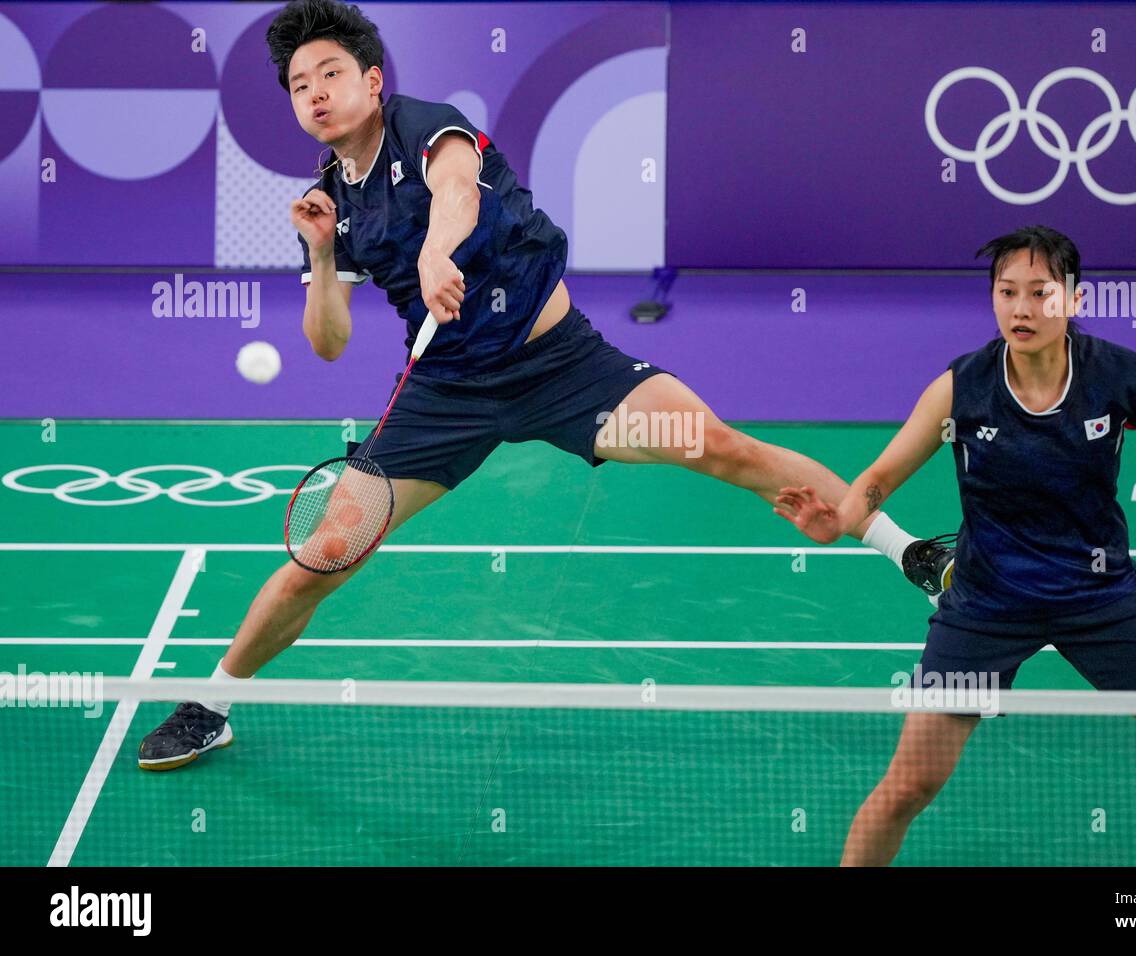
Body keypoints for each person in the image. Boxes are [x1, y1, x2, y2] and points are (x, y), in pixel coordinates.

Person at [137, 0, 951, 771]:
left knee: (713, 443)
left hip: (564, 370)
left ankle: (903, 548)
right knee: (326, 555)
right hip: (446, 395)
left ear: (372, 79)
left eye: (330, 74)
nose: (314, 93)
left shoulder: (425, 128)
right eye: (298, 85)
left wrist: (435, 253)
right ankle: (213, 701)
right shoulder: (334, 200)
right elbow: (327, 343)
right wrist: (319, 255)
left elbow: (456, 189)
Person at [776, 225, 1136, 867]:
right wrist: (840, 519)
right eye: (1006, 292)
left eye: (1040, 293)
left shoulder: (1117, 376)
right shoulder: (961, 388)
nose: (1021, 309)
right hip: (987, 607)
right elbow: (879, 479)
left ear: (1073, 299)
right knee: (908, 785)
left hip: (1103, 599)